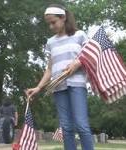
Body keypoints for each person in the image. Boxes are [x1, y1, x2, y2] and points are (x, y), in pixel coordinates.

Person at [25, 4, 94, 150]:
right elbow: (50, 68)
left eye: (53, 22)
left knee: (81, 125)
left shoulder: (79, 35)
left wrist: (77, 64)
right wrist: (38, 87)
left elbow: (89, 56)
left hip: (76, 85)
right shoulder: (51, 42)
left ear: (63, 18)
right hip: (58, 88)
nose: (51, 26)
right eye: (48, 23)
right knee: (66, 127)